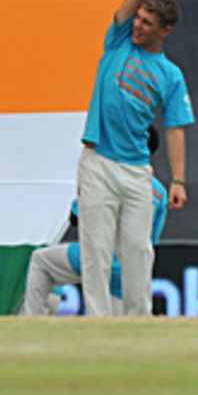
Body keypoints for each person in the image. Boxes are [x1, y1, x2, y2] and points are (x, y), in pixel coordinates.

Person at [78, 0, 198, 317]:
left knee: (137, 250)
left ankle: (137, 321)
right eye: (139, 17)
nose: (138, 24)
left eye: (147, 23)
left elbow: (176, 127)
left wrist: (177, 180)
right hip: (97, 162)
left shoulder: (169, 74)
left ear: (164, 31)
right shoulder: (117, 40)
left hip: (136, 172)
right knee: (94, 248)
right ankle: (97, 321)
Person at [24, 127, 167, 316]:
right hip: (130, 273)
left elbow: (75, 218)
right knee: (120, 334)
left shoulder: (106, 177)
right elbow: (150, 243)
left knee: (41, 262)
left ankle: (36, 321)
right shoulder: (160, 192)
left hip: (95, 258)